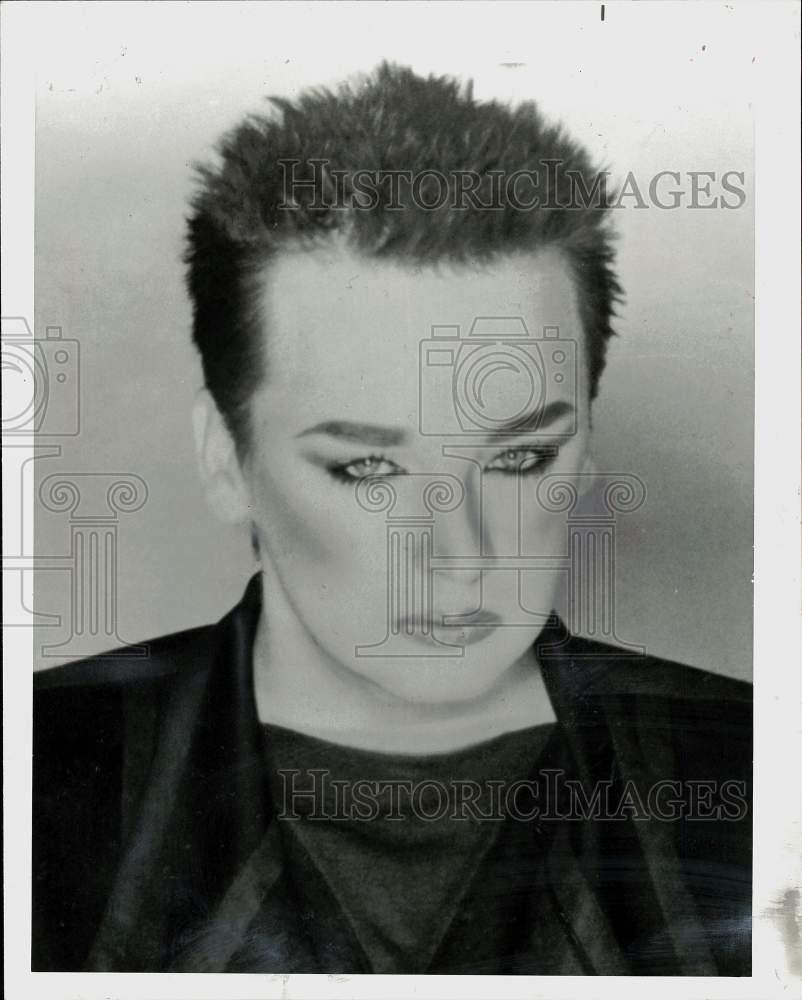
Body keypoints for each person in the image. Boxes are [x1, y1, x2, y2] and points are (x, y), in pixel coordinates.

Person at [32, 63, 751, 975]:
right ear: (225, 460)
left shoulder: (762, 769)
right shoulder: (37, 774)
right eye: (369, 468)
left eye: (520, 459)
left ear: (586, 445)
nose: (460, 555)